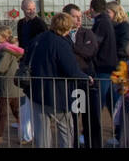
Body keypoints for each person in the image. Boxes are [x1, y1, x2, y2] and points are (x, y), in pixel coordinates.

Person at [22, 12, 89, 148]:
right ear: (68, 28)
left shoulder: (38, 39)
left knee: (42, 131)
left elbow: (26, 59)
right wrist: (86, 78)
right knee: (65, 129)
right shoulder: (60, 43)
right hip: (57, 94)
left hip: (36, 91)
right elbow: (71, 69)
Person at [63, 3, 100, 148]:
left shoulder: (87, 33)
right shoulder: (62, 35)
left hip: (86, 79)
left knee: (90, 116)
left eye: (80, 17)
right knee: (72, 115)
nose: (78, 20)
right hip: (70, 81)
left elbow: (89, 52)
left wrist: (72, 47)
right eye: (74, 16)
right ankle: (73, 143)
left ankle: (93, 144)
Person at [0, 26, 24, 145]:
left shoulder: (5, 50)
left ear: (4, 37)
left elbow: (1, 67)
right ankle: (26, 134)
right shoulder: (11, 49)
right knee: (17, 111)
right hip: (14, 86)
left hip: (7, 86)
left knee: (2, 112)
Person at [90, 0, 118, 126]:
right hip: (110, 66)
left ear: (92, 9)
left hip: (102, 67)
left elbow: (95, 44)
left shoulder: (101, 23)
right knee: (112, 102)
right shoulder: (108, 22)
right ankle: (122, 133)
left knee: (97, 103)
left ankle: (92, 133)